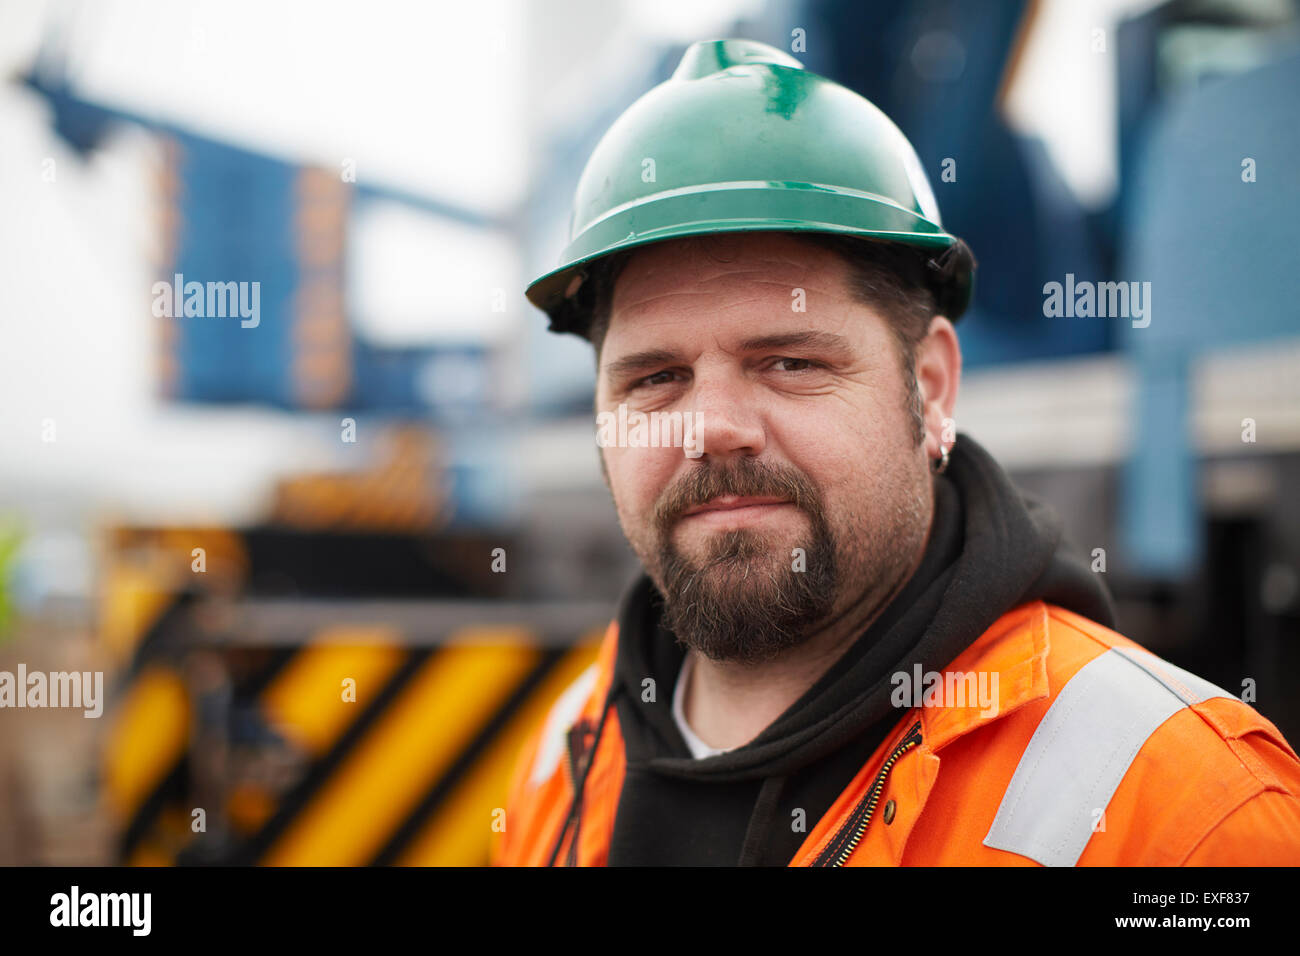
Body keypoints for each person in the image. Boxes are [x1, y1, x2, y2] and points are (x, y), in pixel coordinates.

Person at [493, 39, 1300, 866]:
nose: (712, 426)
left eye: (789, 363)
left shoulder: (1190, 812)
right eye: (656, 378)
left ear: (933, 389)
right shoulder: (564, 756)